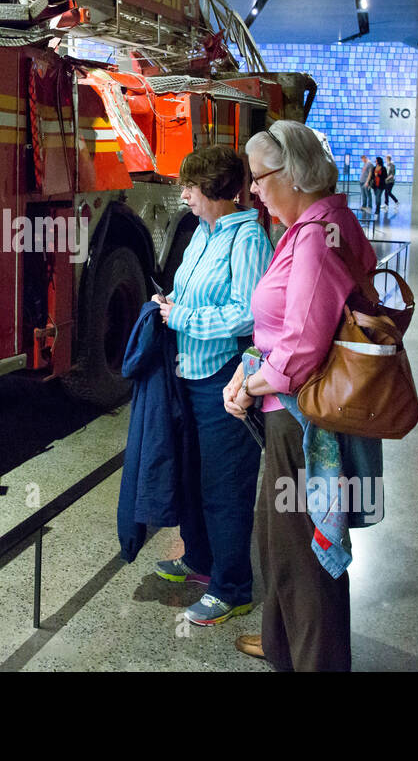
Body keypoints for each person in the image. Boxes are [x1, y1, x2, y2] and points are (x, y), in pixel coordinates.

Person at [221, 120, 377, 671]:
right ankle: (282, 643)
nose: (254, 191)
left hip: (302, 421)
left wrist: (246, 383)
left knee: (303, 556)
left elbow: (302, 351)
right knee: (280, 543)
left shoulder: (314, 234)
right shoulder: (325, 220)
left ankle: (316, 661)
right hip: (301, 414)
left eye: (260, 178)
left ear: (293, 174)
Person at [151, 144, 274, 626]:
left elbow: (248, 313)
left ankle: (233, 589)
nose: (183, 194)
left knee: (226, 487)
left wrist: (182, 315)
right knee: (194, 475)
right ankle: (199, 560)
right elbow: (191, 289)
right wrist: (170, 302)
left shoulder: (246, 240)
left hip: (226, 380)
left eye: (191, 186)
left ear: (219, 192)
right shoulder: (204, 232)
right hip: (191, 375)